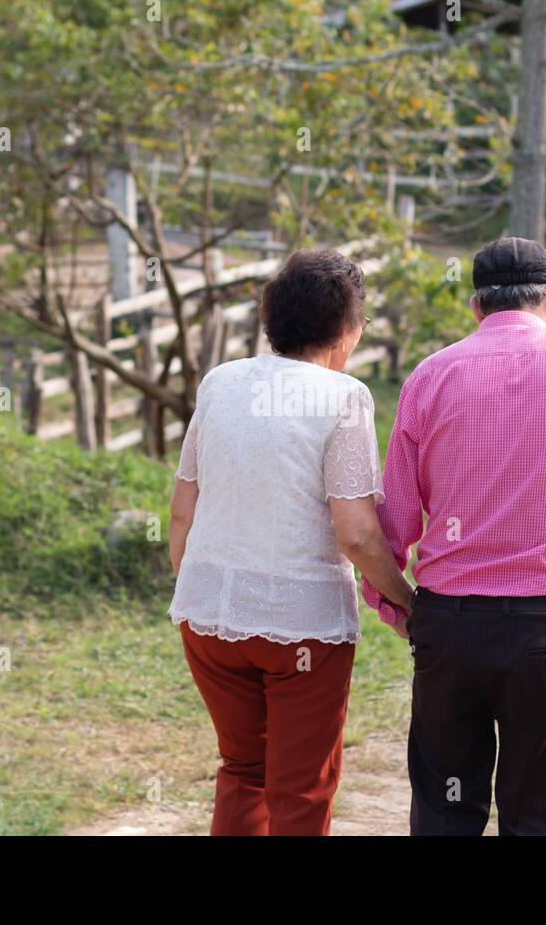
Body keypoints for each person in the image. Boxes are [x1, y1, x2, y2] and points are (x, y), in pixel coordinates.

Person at [362, 236, 546, 836]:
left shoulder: (430, 376)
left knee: (446, 810)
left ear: (477, 307)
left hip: (450, 630)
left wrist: (398, 607)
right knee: (537, 817)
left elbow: (393, 519)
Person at [167, 247, 415, 836]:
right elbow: (355, 533)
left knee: (244, 769)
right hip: (302, 628)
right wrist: (408, 601)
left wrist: (198, 587)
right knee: (301, 787)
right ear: (347, 329)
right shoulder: (343, 397)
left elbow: (182, 511)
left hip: (206, 619)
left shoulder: (220, 382)